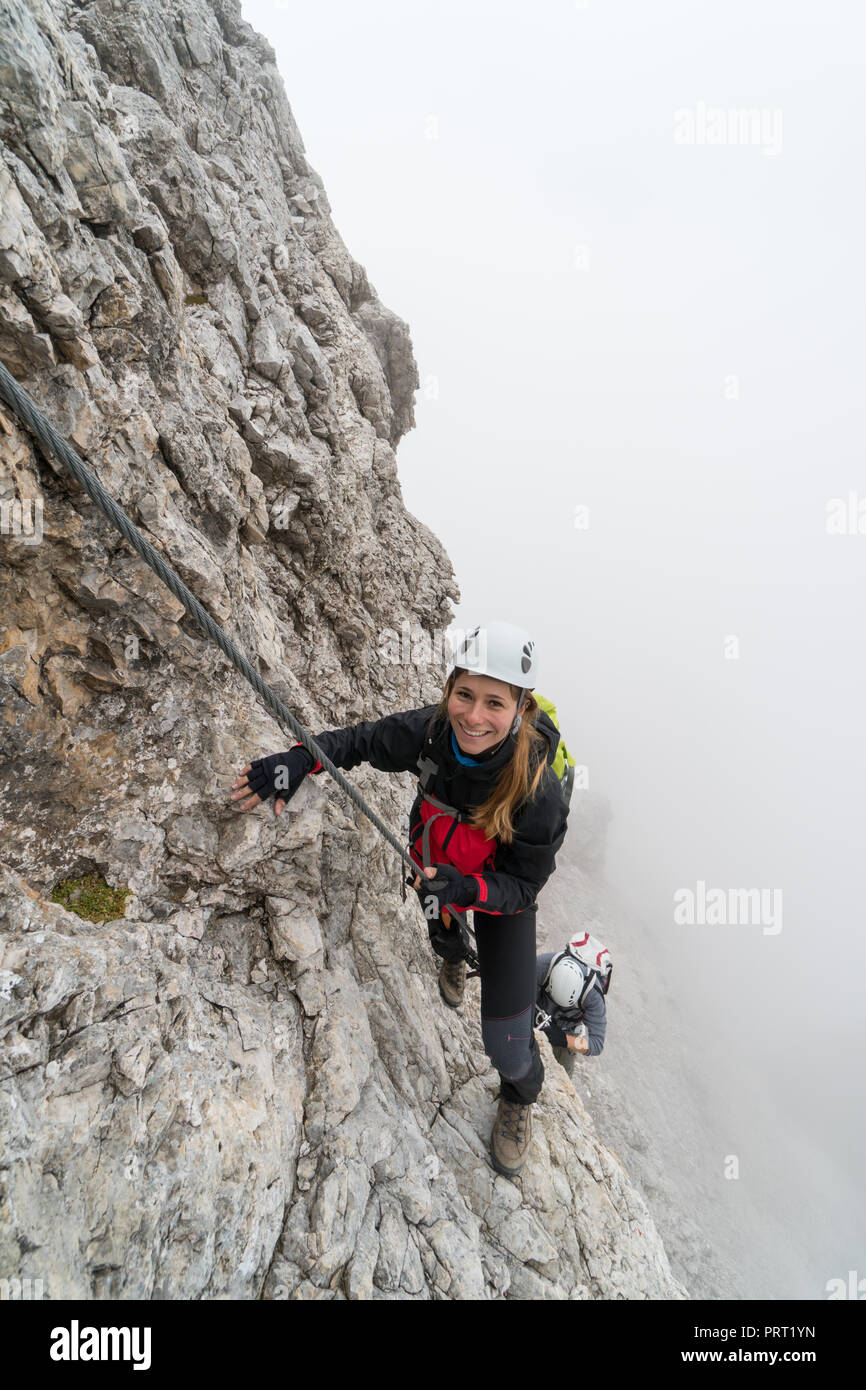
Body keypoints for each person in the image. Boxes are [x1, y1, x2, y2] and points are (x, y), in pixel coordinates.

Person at [229, 621, 569, 1178]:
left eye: (495, 703)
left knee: (505, 1041)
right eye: (464, 695)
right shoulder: (431, 733)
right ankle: (455, 957)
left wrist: (467, 889)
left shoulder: (537, 789)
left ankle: (519, 1095)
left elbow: (525, 885)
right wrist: (298, 759)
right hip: (433, 870)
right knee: (441, 935)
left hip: (496, 898)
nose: (474, 716)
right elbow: (359, 742)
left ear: (521, 709)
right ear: (449, 690)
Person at [535, 949, 607, 1077]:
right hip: (537, 1010)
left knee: (563, 1073)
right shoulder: (542, 965)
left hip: (566, 1030)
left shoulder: (593, 997)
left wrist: (564, 1040)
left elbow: (596, 1044)